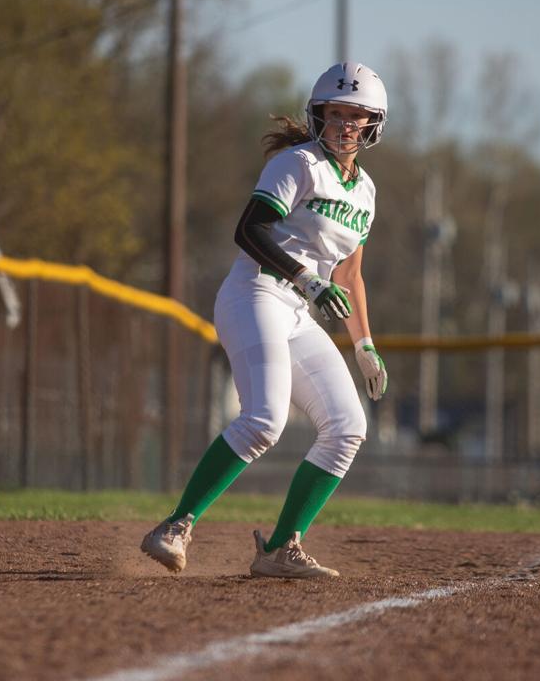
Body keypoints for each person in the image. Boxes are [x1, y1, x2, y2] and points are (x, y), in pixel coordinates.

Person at [141, 61, 389, 579]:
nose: (345, 124)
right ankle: (176, 525)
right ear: (318, 115)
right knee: (264, 421)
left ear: (372, 125)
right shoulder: (298, 163)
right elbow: (249, 231)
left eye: (356, 115)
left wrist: (364, 345)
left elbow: (351, 275)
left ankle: (279, 549)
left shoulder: (364, 190)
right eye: (336, 112)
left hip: (297, 309)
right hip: (255, 292)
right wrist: (306, 278)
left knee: (347, 428)